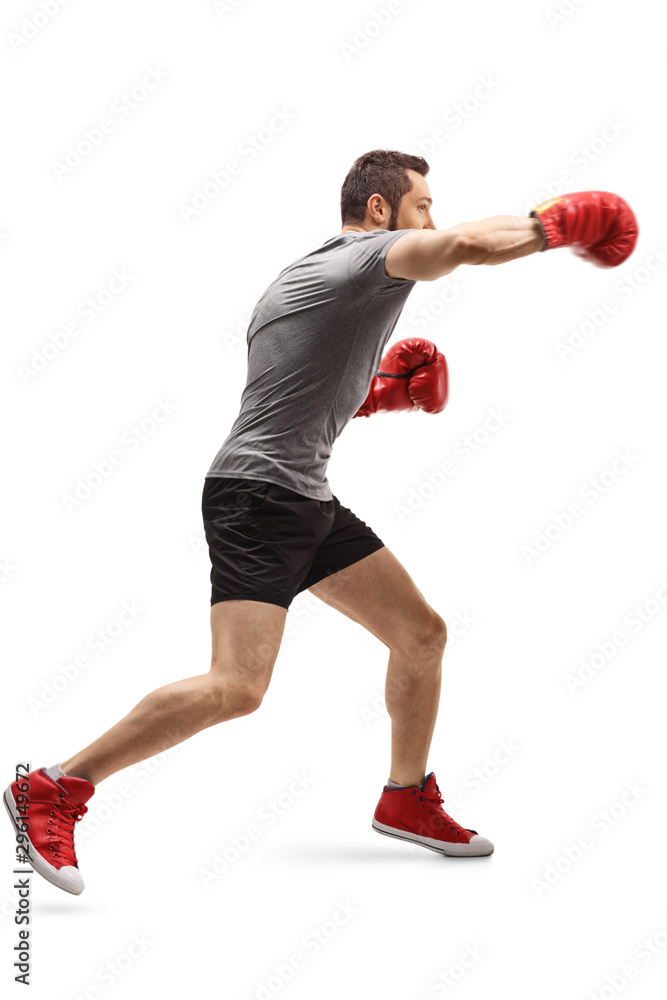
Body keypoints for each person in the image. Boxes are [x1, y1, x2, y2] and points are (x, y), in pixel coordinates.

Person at [4, 150, 638, 894]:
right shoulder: (368, 257)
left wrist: (375, 396)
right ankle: (56, 786)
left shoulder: (307, 277)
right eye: (421, 206)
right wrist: (552, 226)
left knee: (420, 634)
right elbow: (464, 246)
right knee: (237, 687)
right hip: (258, 500)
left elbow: (293, 389)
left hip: (298, 495)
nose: (429, 219)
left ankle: (405, 798)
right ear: (378, 210)